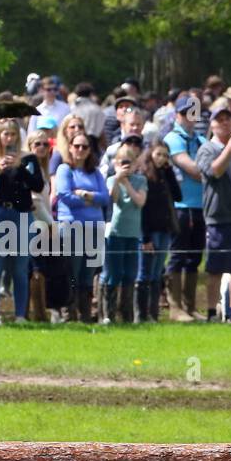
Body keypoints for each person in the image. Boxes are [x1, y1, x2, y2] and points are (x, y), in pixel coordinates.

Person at [194, 107, 231, 323]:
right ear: (212, 125)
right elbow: (215, 171)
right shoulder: (206, 149)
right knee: (216, 268)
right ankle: (211, 313)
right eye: (220, 120)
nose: (225, 123)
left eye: (228, 119)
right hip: (219, 218)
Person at [0, 119, 44, 325]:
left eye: (13, 134)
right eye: (5, 134)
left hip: (21, 215)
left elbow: (38, 185)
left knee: (20, 267)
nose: (9, 138)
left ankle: (20, 315)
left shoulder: (29, 158)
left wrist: (21, 168)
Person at [53, 128, 110, 323]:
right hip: (72, 228)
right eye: (76, 146)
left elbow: (105, 198)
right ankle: (69, 315)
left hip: (94, 228)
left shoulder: (94, 173)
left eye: (84, 146)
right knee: (72, 272)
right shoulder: (64, 169)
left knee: (89, 273)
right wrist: (89, 200)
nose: (80, 149)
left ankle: (85, 315)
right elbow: (64, 195)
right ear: (70, 147)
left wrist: (85, 195)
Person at [164, 95, 207, 321]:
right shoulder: (173, 138)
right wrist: (210, 171)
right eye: (185, 113)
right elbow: (193, 169)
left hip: (200, 205)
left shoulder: (200, 140)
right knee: (178, 256)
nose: (190, 118)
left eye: (194, 113)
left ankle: (190, 307)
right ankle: (175, 307)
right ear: (177, 115)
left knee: (194, 256)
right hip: (180, 206)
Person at [101, 140, 147, 324]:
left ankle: (126, 315)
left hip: (133, 233)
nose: (126, 166)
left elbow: (139, 201)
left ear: (136, 164)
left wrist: (127, 183)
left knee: (129, 274)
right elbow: (112, 199)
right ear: (115, 164)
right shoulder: (111, 180)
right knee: (113, 274)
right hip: (115, 233)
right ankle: (108, 315)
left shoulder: (141, 180)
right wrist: (118, 179)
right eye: (122, 162)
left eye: (129, 162)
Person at [136, 140, 180, 323]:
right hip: (149, 231)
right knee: (144, 274)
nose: (161, 159)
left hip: (164, 230)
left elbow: (178, 195)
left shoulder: (164, 176)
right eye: (158, 154)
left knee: (156, 275)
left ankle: (153, 315)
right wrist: (145, 238)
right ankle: (140, 315)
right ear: (150, 155)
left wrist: (169, 171)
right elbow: (143, 210)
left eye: (165, 155)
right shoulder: (143, 176)